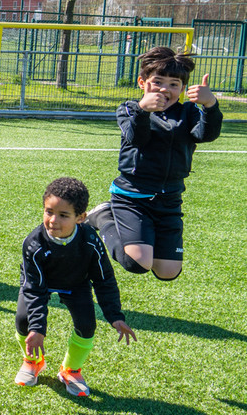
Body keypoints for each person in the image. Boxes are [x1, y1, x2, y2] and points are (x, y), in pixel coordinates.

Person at [87, 47, 221, 282]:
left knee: (168, 272)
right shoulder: (129, 108)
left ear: (181, 89)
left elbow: (205, 135)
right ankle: (103, 217)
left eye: (173, 84)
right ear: (142, 82)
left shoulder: (188, 112)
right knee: (137, 263)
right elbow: (136, 138)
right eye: (157, 81)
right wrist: (143, 110)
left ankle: (147, 239)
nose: (164, 89)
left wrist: (210, 105)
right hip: (132, 197)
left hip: (169, 200)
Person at [16, 177, 136, 398]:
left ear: (81, 218)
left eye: (63, 215)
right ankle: (32, 361)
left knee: (87, 325)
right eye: (48, 211)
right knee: (24, 320)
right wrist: (38, 328)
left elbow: (104, 279)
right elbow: (34, 289)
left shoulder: (91, 240)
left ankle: (70, 370)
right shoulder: (33, 244)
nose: (53, 220)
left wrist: (115, 315)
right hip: (40, 285)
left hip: (76, 283)